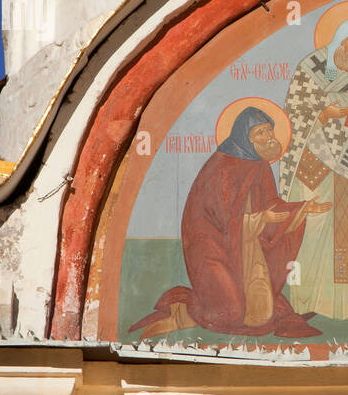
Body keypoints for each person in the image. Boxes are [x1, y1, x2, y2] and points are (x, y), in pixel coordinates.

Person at [129, 107, 331, 339]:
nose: (268, 138)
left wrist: (302, 208)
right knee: (230, 313)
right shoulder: (222, 166)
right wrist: (260, 219)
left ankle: (190, 311)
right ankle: (182, 312)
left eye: (268, 131)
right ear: (244, 136)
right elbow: (222, 220)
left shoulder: (260, 164)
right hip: (214, 247)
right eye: (260, 133)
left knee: (261, 316)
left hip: (249, 245)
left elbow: (270, 203)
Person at [275, 18, 348, 322]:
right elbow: (295, 112)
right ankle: (306, 302)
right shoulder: (311, 67)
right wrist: (326, 113)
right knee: (311, 229)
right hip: (312, 160)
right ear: (340, 39)